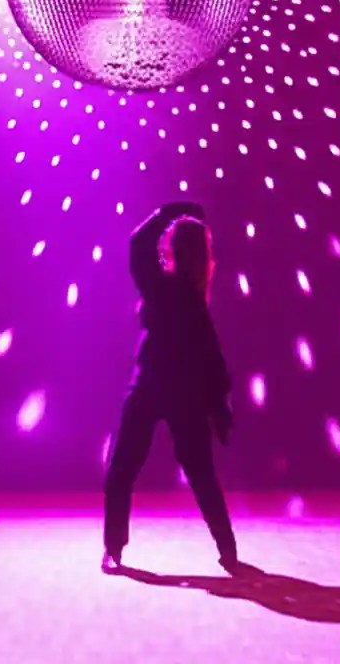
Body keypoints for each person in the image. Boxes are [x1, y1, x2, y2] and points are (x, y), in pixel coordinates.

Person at [103, 201, 239, 574]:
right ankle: (228, 551)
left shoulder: (161, 287)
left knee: (121, 472)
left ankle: (114, 548)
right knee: (202, 475)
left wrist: (165, 211)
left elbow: (136, 243)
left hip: (149, 388)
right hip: (184, 396)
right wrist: (219, 407)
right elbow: (213, 361)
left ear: (174, 248)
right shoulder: (195, 300)